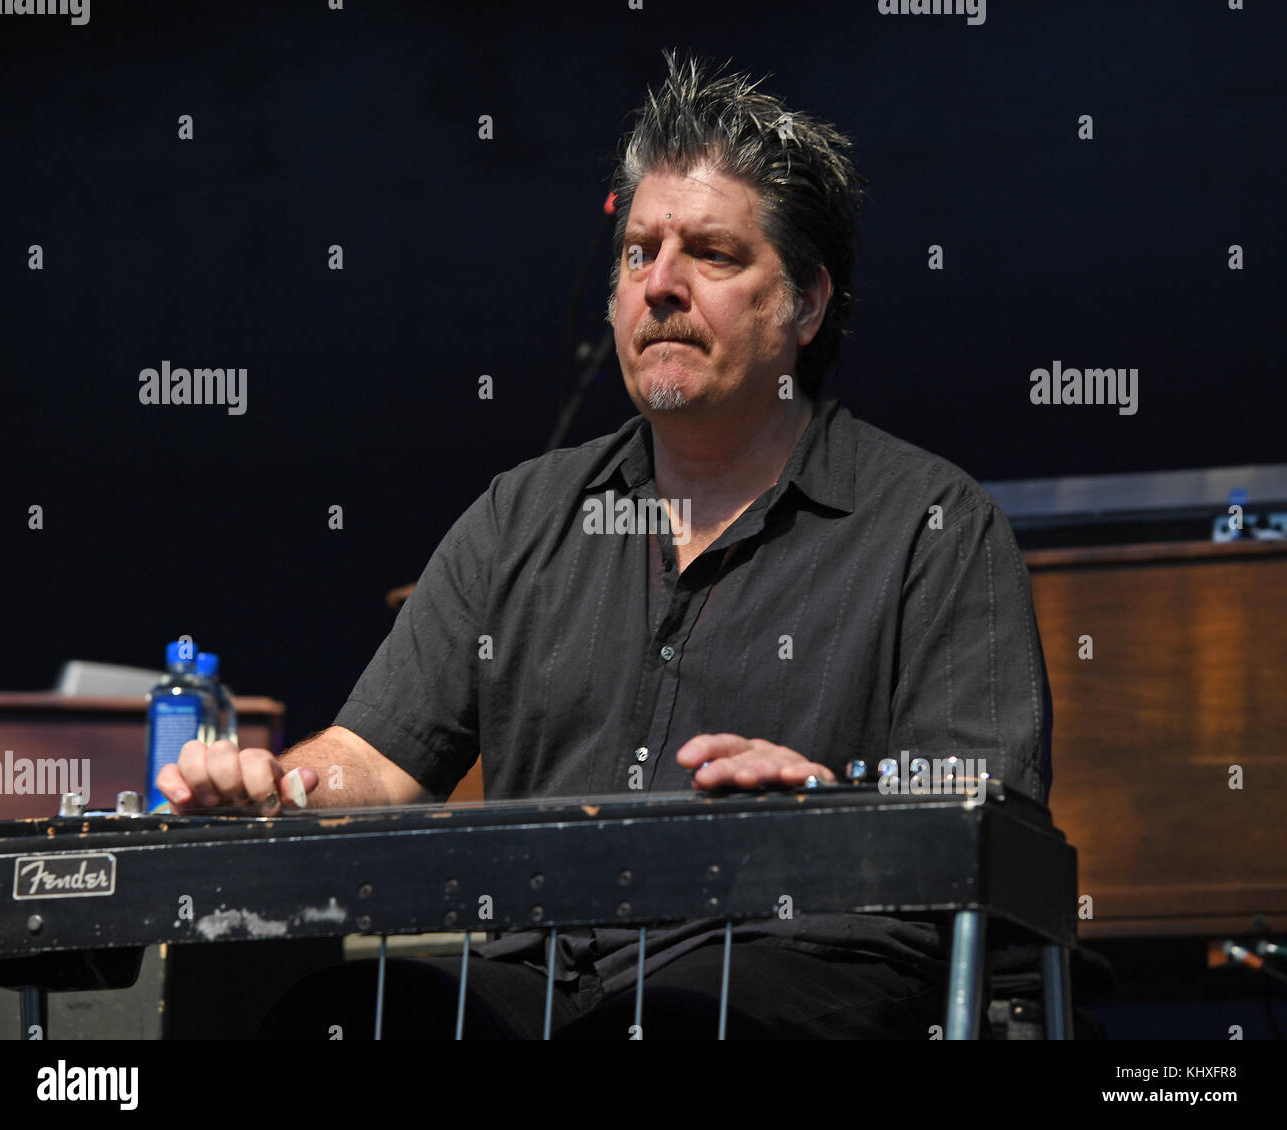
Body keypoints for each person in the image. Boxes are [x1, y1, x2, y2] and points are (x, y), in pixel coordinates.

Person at [160, 49, 1052, 1039]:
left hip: (797, 967)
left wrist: (832, 803)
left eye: (710, 253)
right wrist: (280, 783)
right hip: (536, 974)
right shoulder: (521, 513)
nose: (660, 284)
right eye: (638, 251)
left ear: (804, 301)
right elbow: (373, 757)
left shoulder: (935, 522)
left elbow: (993, 818)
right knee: (332, 1018)